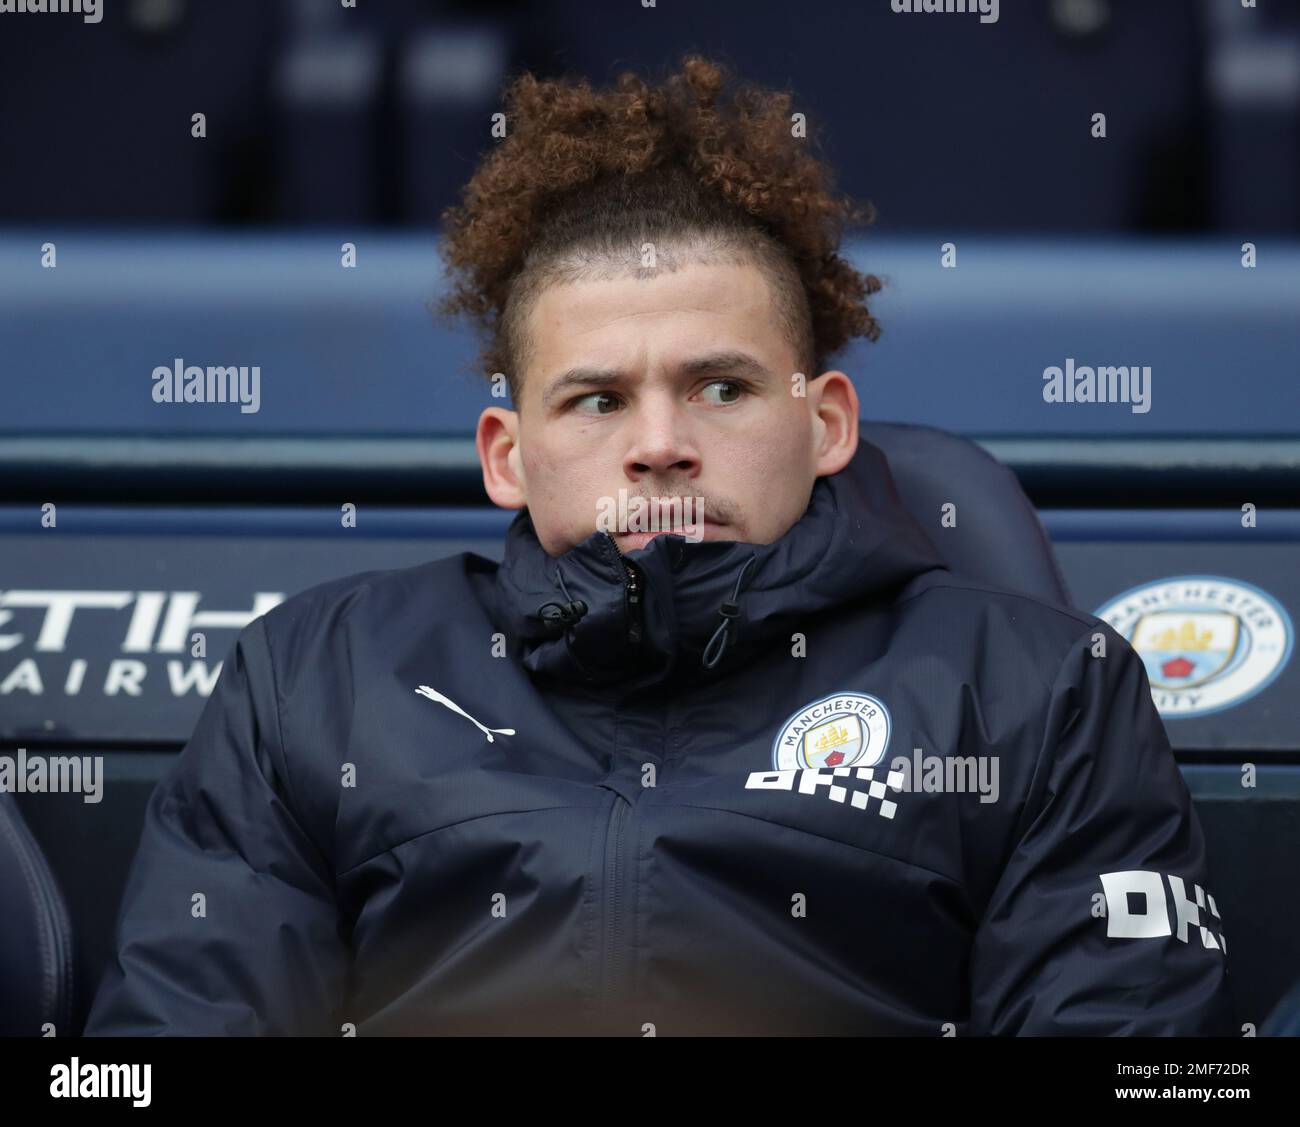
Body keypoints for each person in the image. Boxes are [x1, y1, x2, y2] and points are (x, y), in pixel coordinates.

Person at [84, 55, 1234, 1036]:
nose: (660, 445)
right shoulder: (315, 677)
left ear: (825, 421)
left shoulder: (1042, 690)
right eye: (594, 401)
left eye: (720, 387)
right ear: (506, 453)